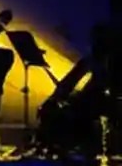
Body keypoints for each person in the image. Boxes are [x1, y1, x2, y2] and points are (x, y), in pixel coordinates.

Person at [37, 24, 110, 157]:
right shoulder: (92, 60)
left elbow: (94, 84)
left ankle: (69, 146)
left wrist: (65, 96)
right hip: (92, 98)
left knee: (73, 111)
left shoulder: (104, 62)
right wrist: (57, 96)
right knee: (57, 107)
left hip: (99, 100)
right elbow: (72, 79)